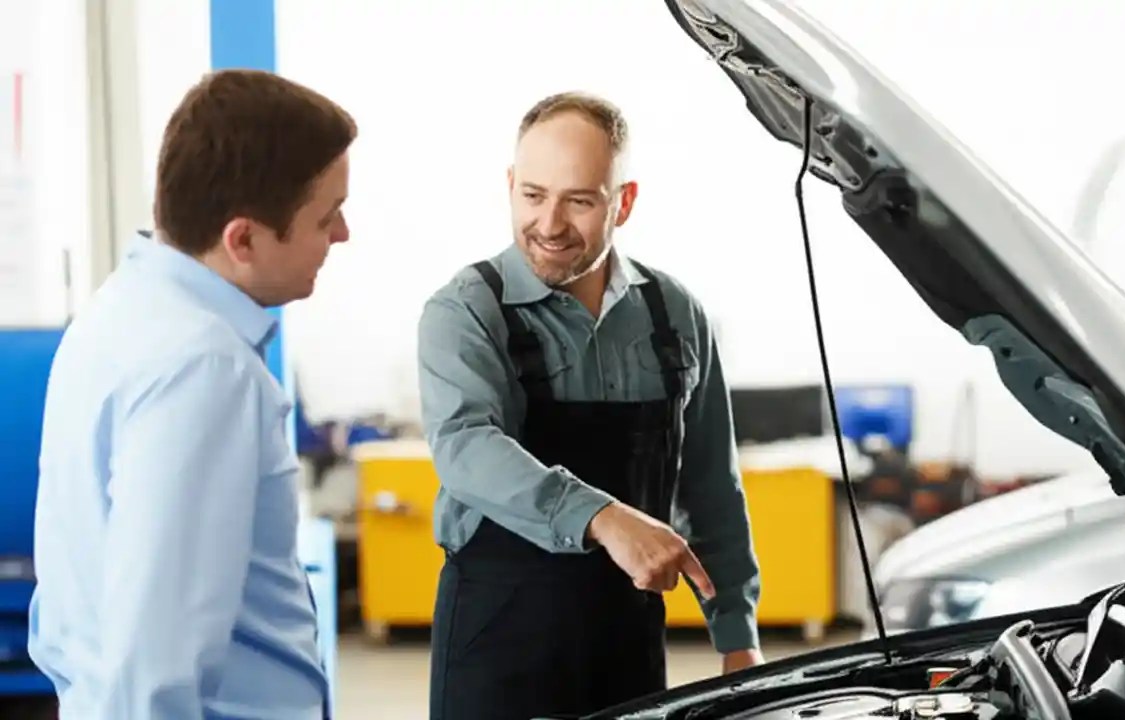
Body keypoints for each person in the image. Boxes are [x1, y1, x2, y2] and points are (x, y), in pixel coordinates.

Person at [419, 91, 764, 719]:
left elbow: (712, 484)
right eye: (532, 195)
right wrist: (604, 517)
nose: (549, 224)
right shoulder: (466, 310)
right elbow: (466, 446)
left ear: (623, 202)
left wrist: (738, 635)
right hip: (496, 646)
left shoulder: (675, 315)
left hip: (626, 648)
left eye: (577, 200)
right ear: (510, 185)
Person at [27, 69, 356, 719]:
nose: (341, 234)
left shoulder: (119, 309)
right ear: (243, 239)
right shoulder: (203, 370)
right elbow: (154, 665)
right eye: (326, 216)